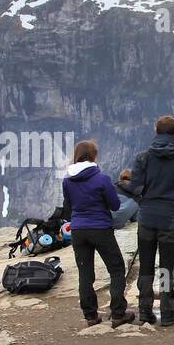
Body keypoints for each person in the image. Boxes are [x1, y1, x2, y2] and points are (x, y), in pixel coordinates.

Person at [121, 115, 174, 326]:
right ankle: (167, 314)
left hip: (147, 219)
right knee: (166, 268)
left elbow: (135, 187)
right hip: (169, 219)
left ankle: (145, 312)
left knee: (146, 267)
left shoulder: (143, 158)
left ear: (155, 131)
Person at [62, 139, 135, 328]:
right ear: (94, 156)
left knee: (85, 273)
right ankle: (118, 313)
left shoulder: (67, 180)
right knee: (116, 268)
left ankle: (91, 316)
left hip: (78, 230)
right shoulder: (102, 179)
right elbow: (115, 205)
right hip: (100, 228)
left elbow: (67, 207)